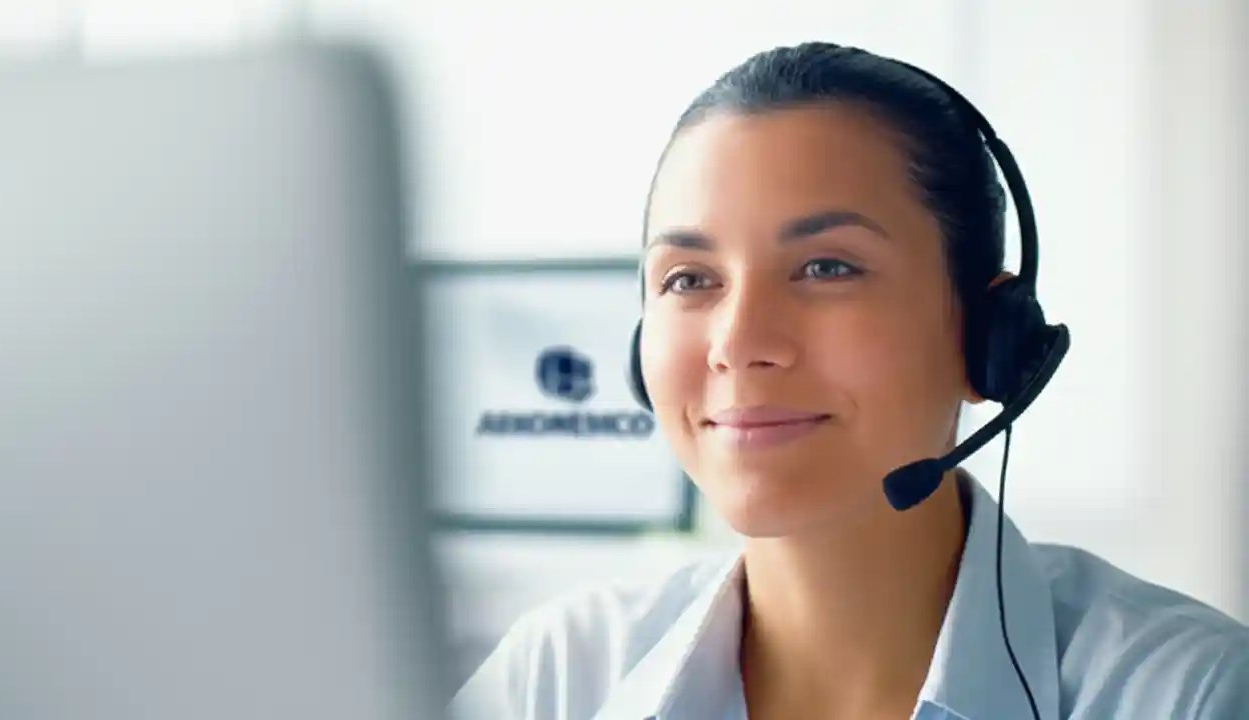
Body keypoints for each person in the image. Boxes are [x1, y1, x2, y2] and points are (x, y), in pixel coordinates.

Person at [448, 42, 1249, 720]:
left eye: (827, 268)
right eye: (690, 279)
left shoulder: (1184, 691)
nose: (739, 344)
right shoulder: (557, 677)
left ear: (986, 335)